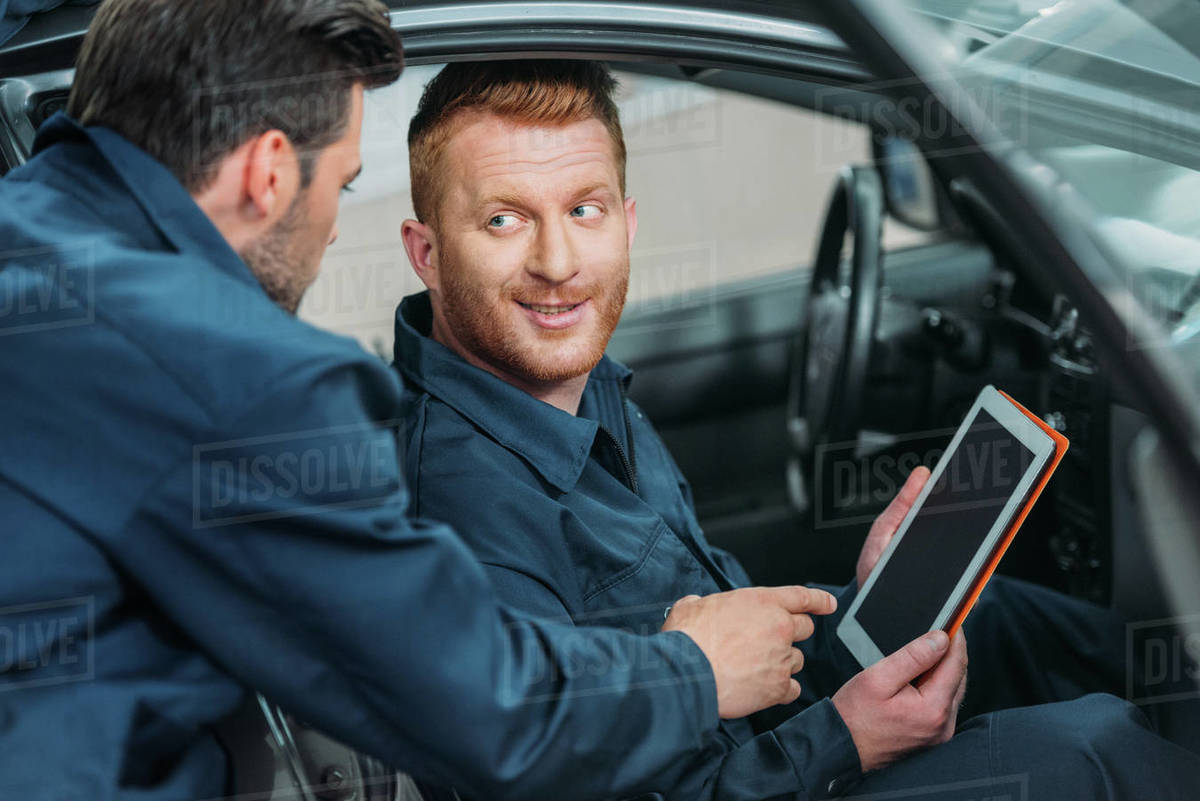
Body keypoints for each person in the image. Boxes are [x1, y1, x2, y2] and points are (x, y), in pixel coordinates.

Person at [0, 4, 834, 800]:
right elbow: (488, 710)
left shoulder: (28, 236)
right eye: (344, 182)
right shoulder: (235, 377)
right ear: (267, 173)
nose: (329, 228)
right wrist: (694, 669)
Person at [394, 59, 1200, 800]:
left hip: (760, 747)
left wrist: (864, 615)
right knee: (1090, 753)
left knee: (995, 619)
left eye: (584, 208)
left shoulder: (573, 384)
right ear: (426, 252)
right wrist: (841, 739)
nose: (560, 260)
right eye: (504, 220)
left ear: (628, 220)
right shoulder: (463, 515)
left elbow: (724, 654)